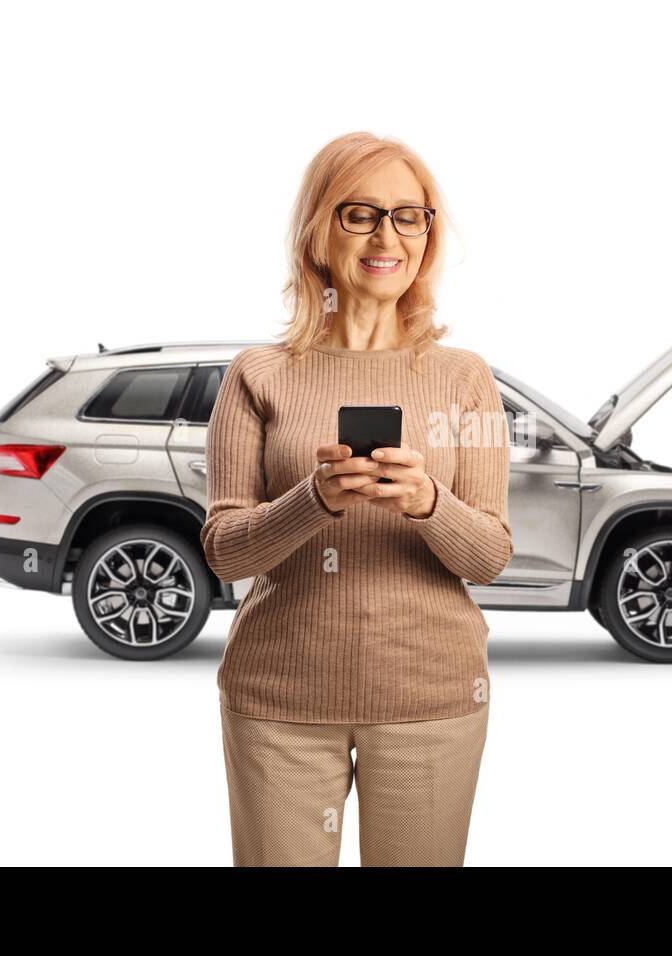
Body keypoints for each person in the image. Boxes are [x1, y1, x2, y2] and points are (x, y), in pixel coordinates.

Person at [200, 132, 513, 865]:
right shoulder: (258, 375)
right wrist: (313, 500)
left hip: (429, 698)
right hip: (278, 702)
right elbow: (223, 549)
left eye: (410, 215)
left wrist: (428, 501)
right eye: (360, 213)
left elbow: (494, 553)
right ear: (318, 230)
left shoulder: (466, 379)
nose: (387, 235)